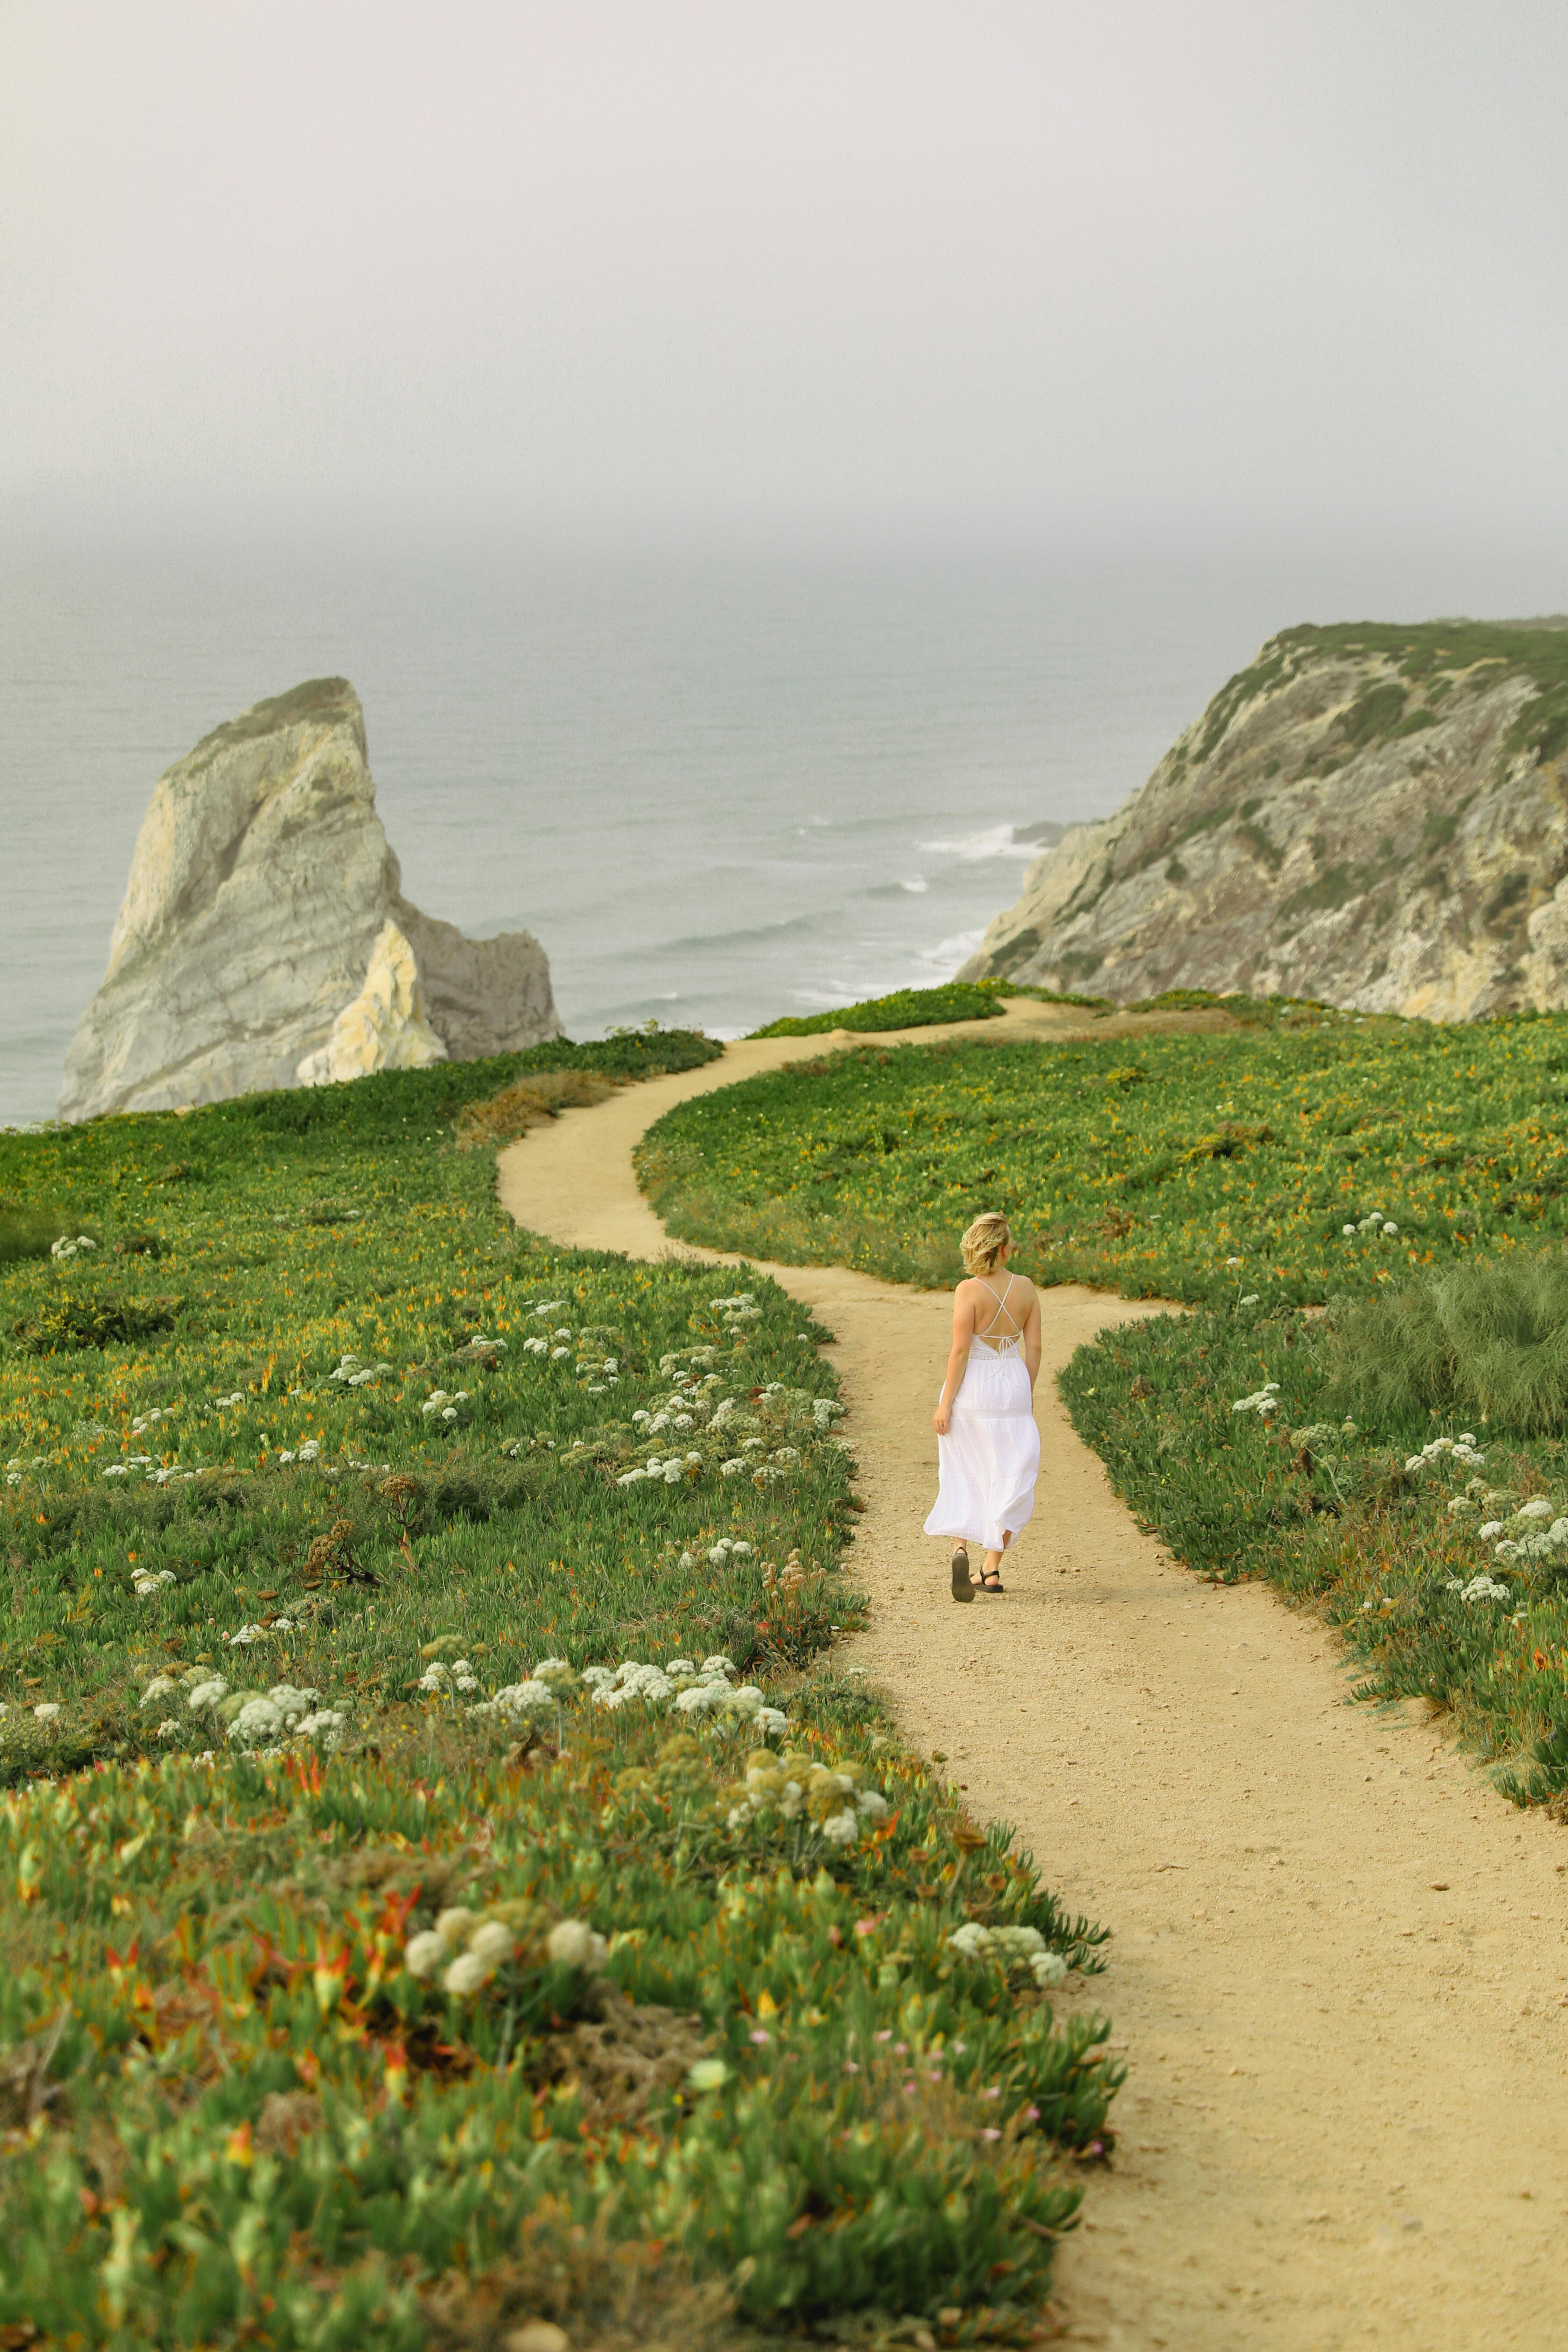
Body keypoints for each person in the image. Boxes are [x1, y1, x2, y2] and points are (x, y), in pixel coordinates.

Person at [924, 1211, 1042, 1600]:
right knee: (1010, 1471)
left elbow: (960, 1352)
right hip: (1012, 1384)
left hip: (973, 1386)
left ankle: (960, 1548)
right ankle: (991, 1567)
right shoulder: (1026, 1288)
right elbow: (1035, 1348)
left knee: (965, 1467)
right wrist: (1025, 1392)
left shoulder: (968, 1290)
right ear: (1006, 1248)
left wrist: (945, 1404)